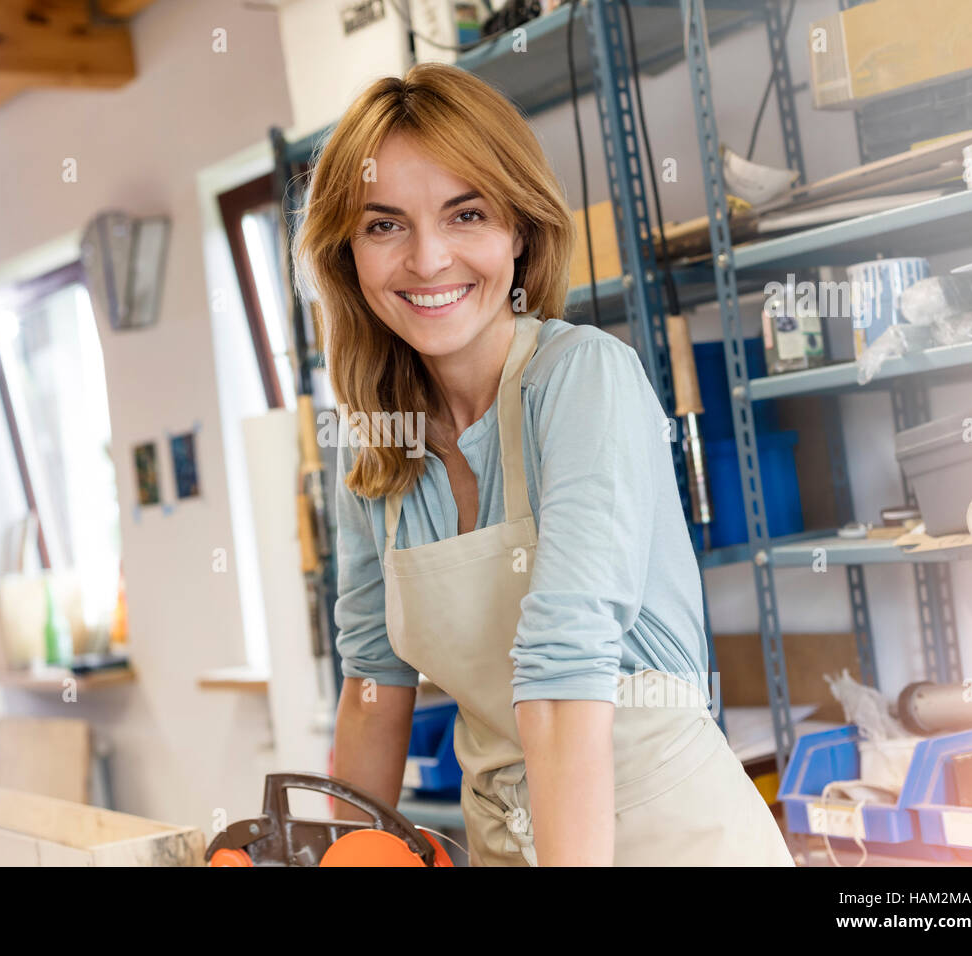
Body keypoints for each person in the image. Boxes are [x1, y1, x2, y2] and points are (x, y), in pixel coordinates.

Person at [295, 62, 793, 867]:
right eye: (384, 225)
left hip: (671, 836)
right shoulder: (377, 446)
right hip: (508, 842)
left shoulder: (580, 379)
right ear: (346, 253)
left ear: (520, 229)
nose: (427, 260)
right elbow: (373, 688)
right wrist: (345, 854)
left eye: (466, 214)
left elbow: (564, 672)